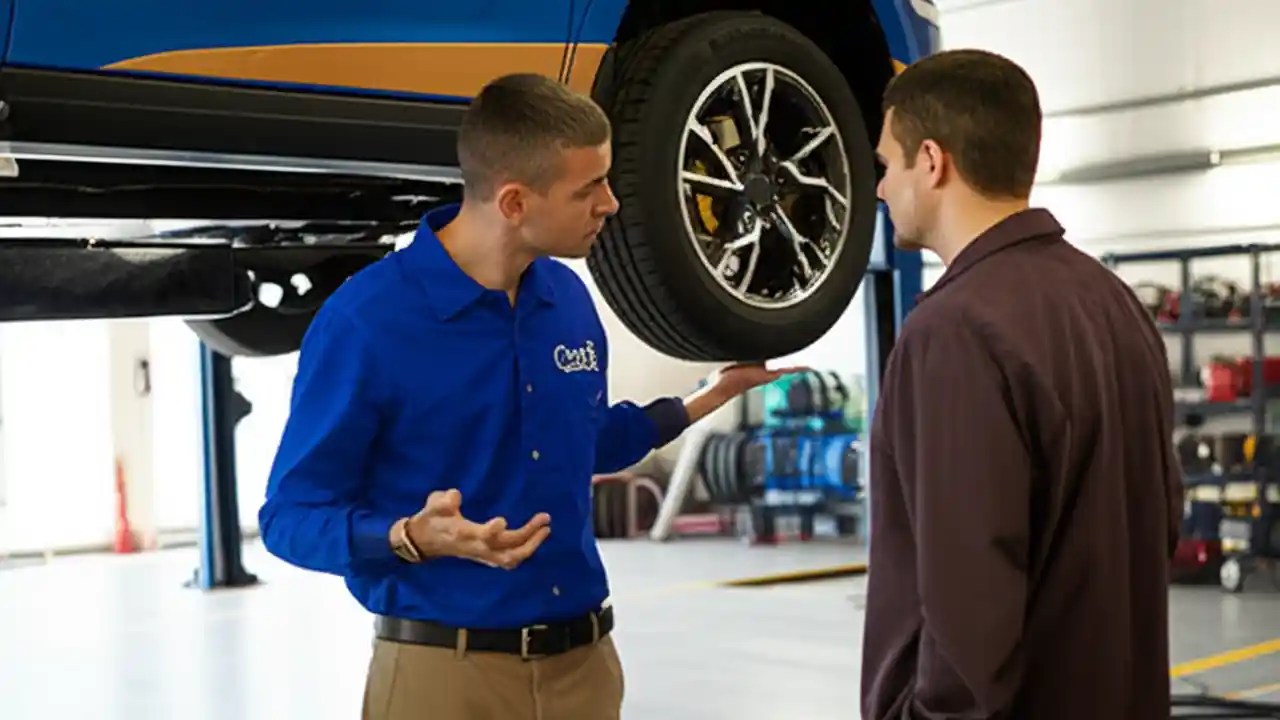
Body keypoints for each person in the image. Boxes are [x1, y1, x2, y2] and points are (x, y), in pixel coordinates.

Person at [257, 72, 798, 720]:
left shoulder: (566, 299)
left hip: (585, 671)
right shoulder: (367, 322)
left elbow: (582, 441)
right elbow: (288, 519)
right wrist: (408, 536)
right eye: (588, 187)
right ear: (514, 202)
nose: (611, 204)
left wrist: (703, 400)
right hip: (444, 681)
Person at [861, 49, 1183, 719]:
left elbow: (968, 600)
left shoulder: (952, 331)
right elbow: (1162, 518)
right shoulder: (1113, 301)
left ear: (931, 160)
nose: (879, 189)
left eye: (886, 165)